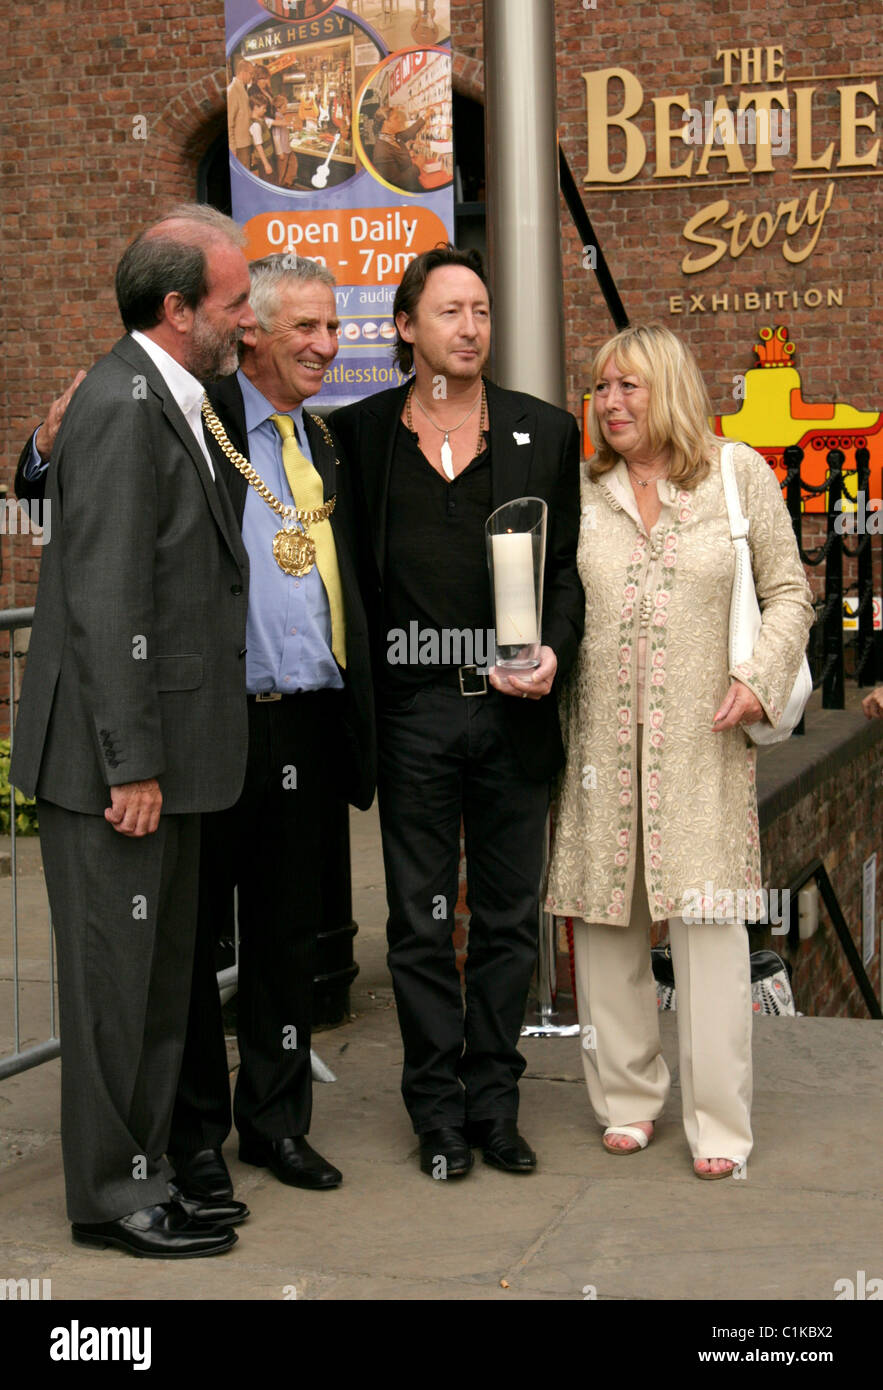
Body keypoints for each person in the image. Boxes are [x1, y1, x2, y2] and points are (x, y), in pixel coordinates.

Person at [19, 252, 376, 1206]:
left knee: (285, 942)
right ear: (246, 329)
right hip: (204, 725)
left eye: (335, 327)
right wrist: (45, 449)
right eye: (304, 326)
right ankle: (194, 1142)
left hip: (303, 720)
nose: (326, 345)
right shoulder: (185, 409)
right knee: (179, 949)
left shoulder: (329, 443)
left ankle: (277, 1124)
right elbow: (69, 491)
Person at [9, 205, 256, 1257]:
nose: (247, 321)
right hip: (121, 765)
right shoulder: (119, 405)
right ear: (178, 308)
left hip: (173, 755)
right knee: (116, 992)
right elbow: (108, 601)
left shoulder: (181, 398)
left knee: (161, 983)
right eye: (237, 303)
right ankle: (113, 1194)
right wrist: (133, 762)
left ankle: (147, 1171)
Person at [332, 245, 583, 1179]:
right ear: (405, 329)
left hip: (513, 711)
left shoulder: (542, 431)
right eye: (448, 312)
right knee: (420, 922)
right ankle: (435, 1111)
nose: (470, 327)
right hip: (413, 715)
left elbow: (563, 571)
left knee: (510, 919)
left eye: (480, 310)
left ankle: (496, 1105)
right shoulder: (356, 439)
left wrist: (555, 648)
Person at [545, 324, 814, 1179]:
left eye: (628, 387)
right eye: (600, 389)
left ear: (669, 389)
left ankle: (719, 1124)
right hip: (597, 743)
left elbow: (788, 592)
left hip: (703, 744)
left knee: (707, 929)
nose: (610, 404)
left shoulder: (737, 477)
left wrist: (756, 675)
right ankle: (625, 1099)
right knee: (604, 923)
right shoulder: (582, 492)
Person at [371, 106, 431, 192]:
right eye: (396, 118)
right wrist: (417, 166)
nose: (399, 120)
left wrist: (426, 116)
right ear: (386, 123)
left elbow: (410, 132)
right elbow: (396, 183)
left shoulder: (394, 137)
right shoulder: (381, 151)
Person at [228, 57, 255, 168]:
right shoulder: (232, 91)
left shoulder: (242, 89)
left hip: (245, 143)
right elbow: (229, 122)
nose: (252, 77)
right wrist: (232, 148)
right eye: (251, 73)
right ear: (243, 72)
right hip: (239, 146)